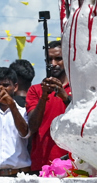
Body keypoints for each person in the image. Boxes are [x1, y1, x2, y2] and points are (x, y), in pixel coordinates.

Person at [26, 40, 72, 173]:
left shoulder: (78, 88)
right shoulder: (35, 90)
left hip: (73, 163)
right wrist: (44, 97)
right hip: (42, 164)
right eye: (49, 59)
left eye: (58, 59)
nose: (53, 64)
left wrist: (65, 97)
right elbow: (33, 126)